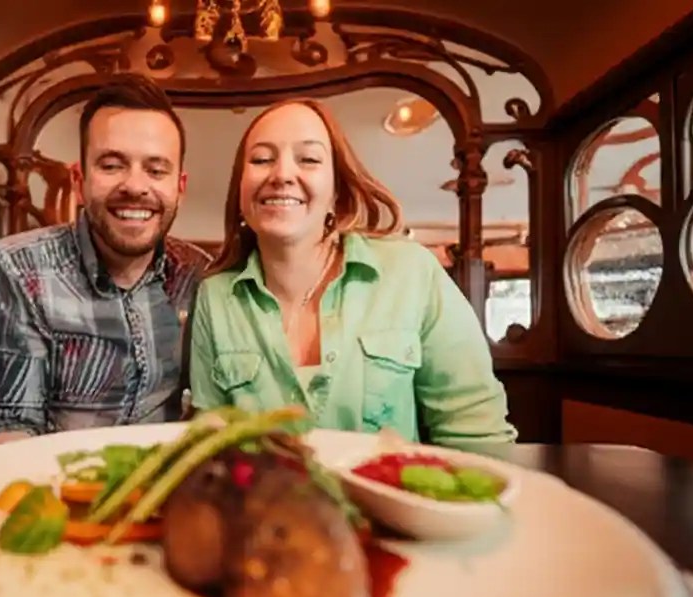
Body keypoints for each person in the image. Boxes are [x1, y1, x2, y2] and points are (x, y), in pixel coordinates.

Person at [187, 98, 517, 447]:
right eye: (262, 159)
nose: (281, 174)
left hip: (392, 500)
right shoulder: (215, 297)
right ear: (241, 192)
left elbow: (476, 435)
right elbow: (211, 445)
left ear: (336, 193)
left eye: (309, 159)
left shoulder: (411, 271)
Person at [0, 74, 210, 444]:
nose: (135, 185)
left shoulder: (198, 273)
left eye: (156, 169)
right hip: (60, 484)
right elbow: (8, 423)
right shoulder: (21, 267)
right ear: (78, 180)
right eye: (112, 165)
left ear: (179, 187)